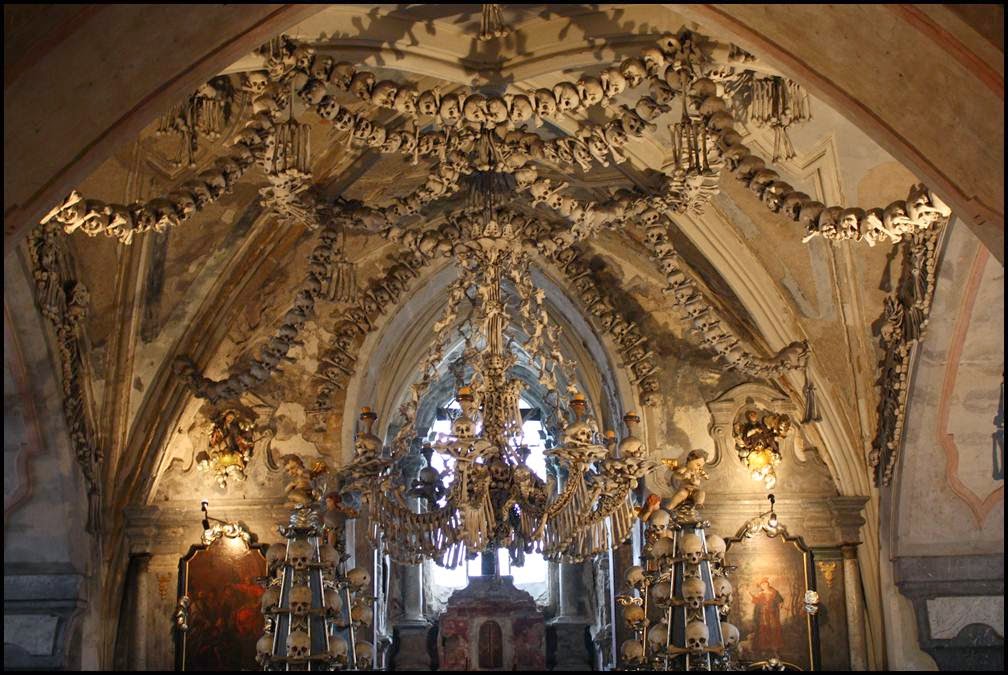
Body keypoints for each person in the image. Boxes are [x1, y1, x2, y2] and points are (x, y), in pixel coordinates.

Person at [751, 577, 785, 653]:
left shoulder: (774, 592)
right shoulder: (760, 594)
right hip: (763, 615)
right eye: (761, 585)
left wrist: (780, 604)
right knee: (764, 630)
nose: (763, 586)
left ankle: (775, 647)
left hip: (773, 614)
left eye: (764, 584)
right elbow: (757, 602)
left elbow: (780, 600)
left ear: (767, 584)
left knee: (774, 629)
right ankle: (764, 648)